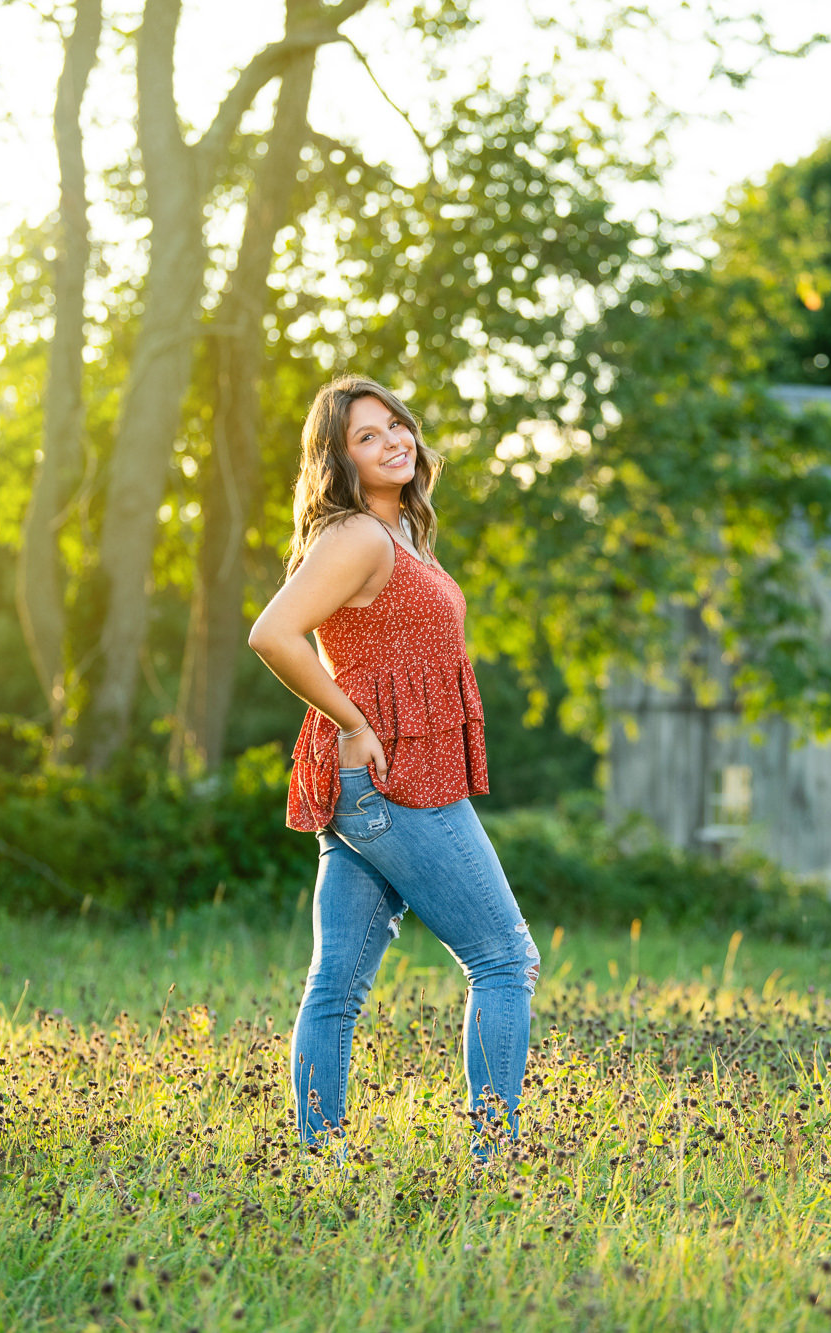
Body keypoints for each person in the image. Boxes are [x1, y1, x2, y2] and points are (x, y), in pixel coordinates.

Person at [246, 374, 539, 1155]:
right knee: (505, 959)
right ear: (339, 461)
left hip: (369, 783)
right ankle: (495, 1158)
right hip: (395, 781)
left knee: (335, 986)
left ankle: (319, 1160)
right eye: (366, 437)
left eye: (396, 425)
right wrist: (351, 718)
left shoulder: (397, 532)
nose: (393, 441)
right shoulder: (359, 537)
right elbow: (273, 633)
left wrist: (350, 717)